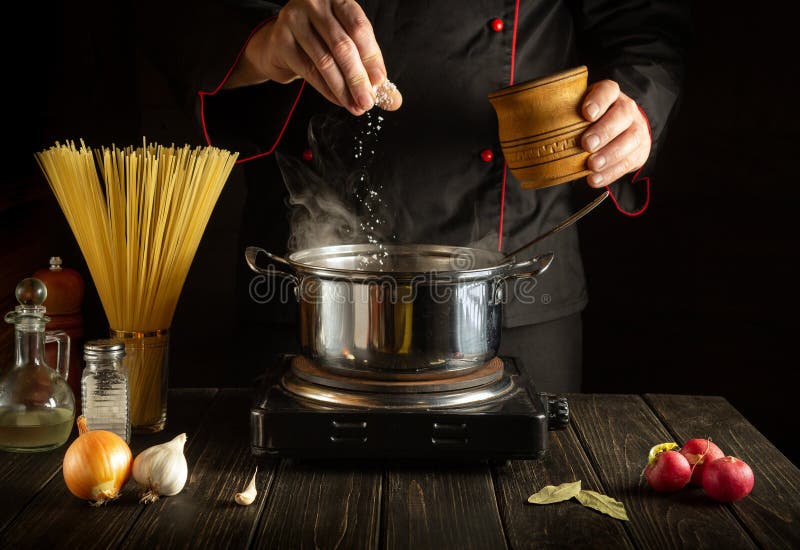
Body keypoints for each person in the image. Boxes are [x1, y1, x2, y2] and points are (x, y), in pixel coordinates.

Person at [138, 0, 690, 390]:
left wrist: (638, 106)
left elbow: (645, 25)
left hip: (514, 287)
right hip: (307, 293)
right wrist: (262, 46)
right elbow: (181, 16)